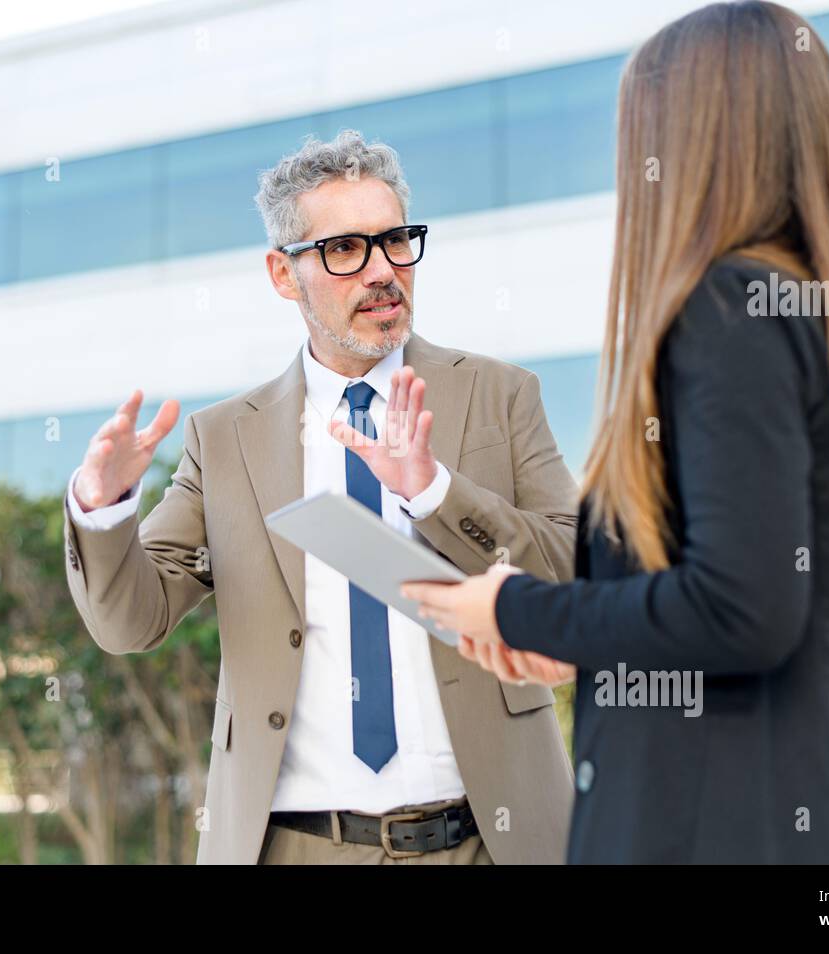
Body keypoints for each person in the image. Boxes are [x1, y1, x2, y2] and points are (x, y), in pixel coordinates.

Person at [402, 0, 829, 864]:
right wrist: (584, 644)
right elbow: (771, 615)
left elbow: (744, 610)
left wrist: (514, 605)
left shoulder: (726, 313)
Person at [63, 130, 579, 864]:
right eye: (345, 250)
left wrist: (433, 491)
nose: (382, 271)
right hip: (298, 849)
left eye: (395, 241)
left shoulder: (500, 397)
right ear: (282, 272)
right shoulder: (225, 442)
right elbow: (129, 622)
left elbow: (572, 571)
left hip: (492, 841)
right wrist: (104, 507)